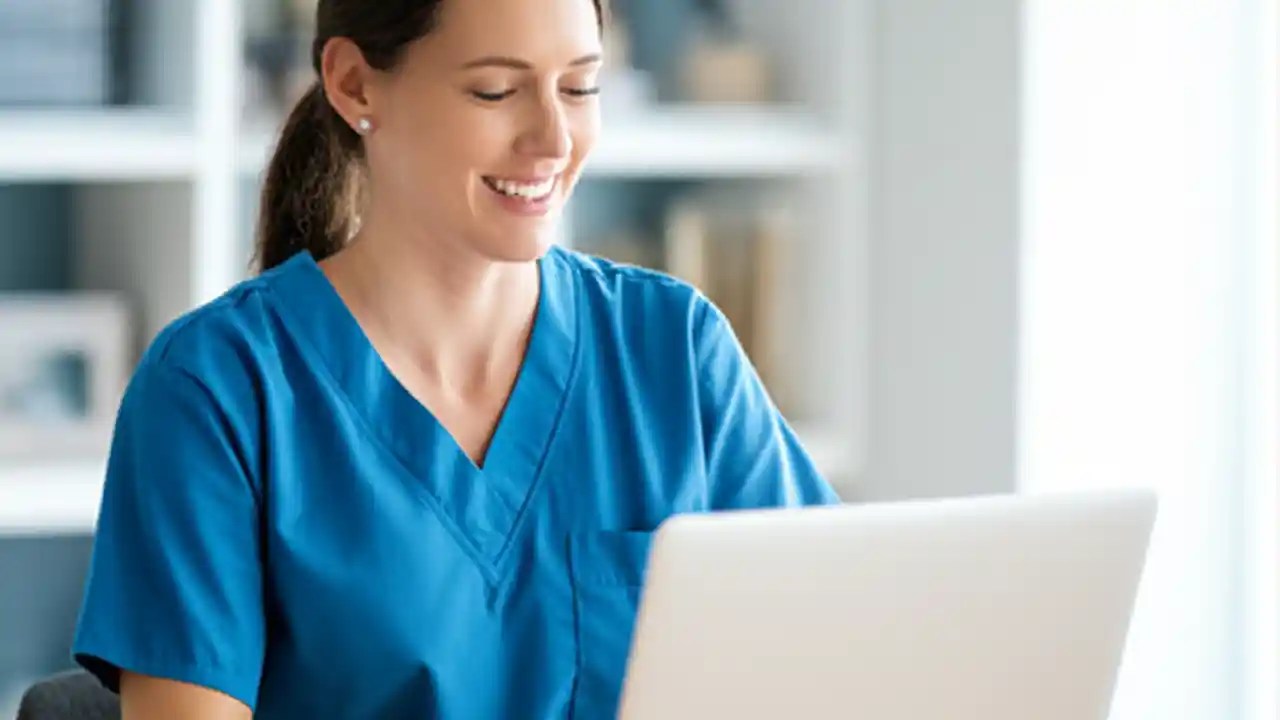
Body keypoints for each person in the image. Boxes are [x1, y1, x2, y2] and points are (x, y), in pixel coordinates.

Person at [70, 0, 839, 717]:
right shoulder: (217, 389)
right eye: (496, 91)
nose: (554, 140)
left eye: (580, 87)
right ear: (354, 83)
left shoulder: (674, 349)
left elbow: (835, 647)